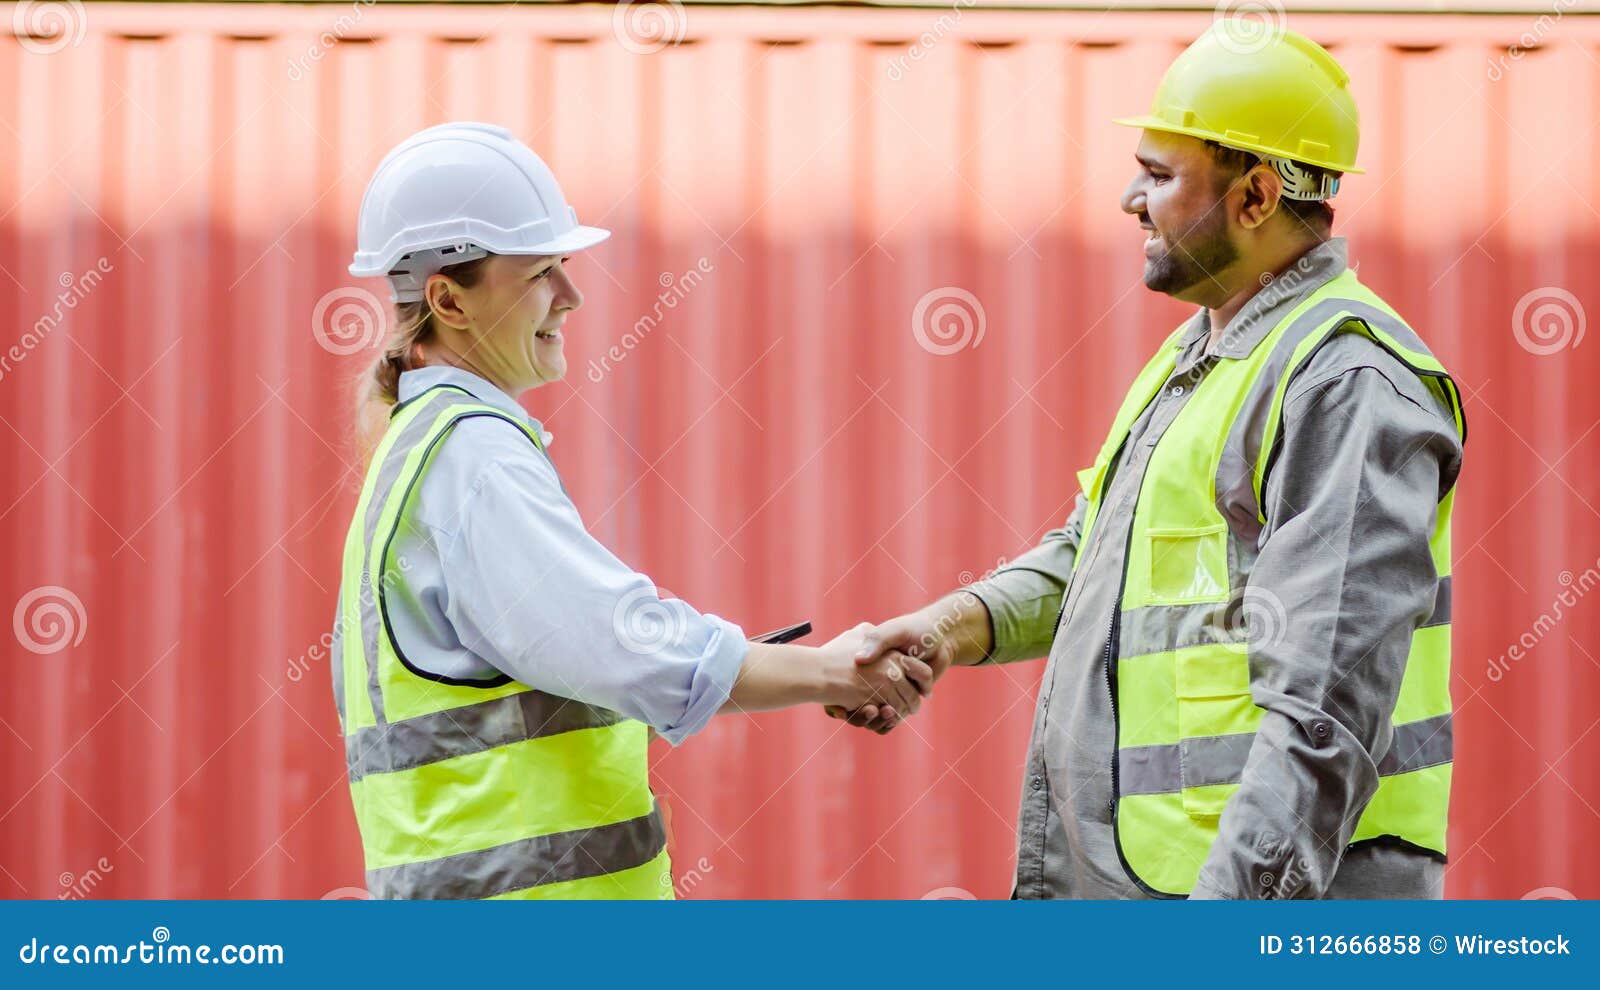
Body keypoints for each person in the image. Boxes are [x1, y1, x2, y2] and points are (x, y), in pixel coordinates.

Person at [837, 21, 1465, 899]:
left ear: (1254, 196)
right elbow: (1095, 560)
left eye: (1160, 175)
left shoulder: (1345, 379)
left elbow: (1325, 706)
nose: (1130, 198)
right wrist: (947, 630)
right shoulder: (1201, 358)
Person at [330, 122, 932, 900]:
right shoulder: (471, 456)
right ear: (449, 299)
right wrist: (833, 672)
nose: (572, 296)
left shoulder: (422, 447)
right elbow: (622, 643)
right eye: (542, 272)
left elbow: (573, 664)